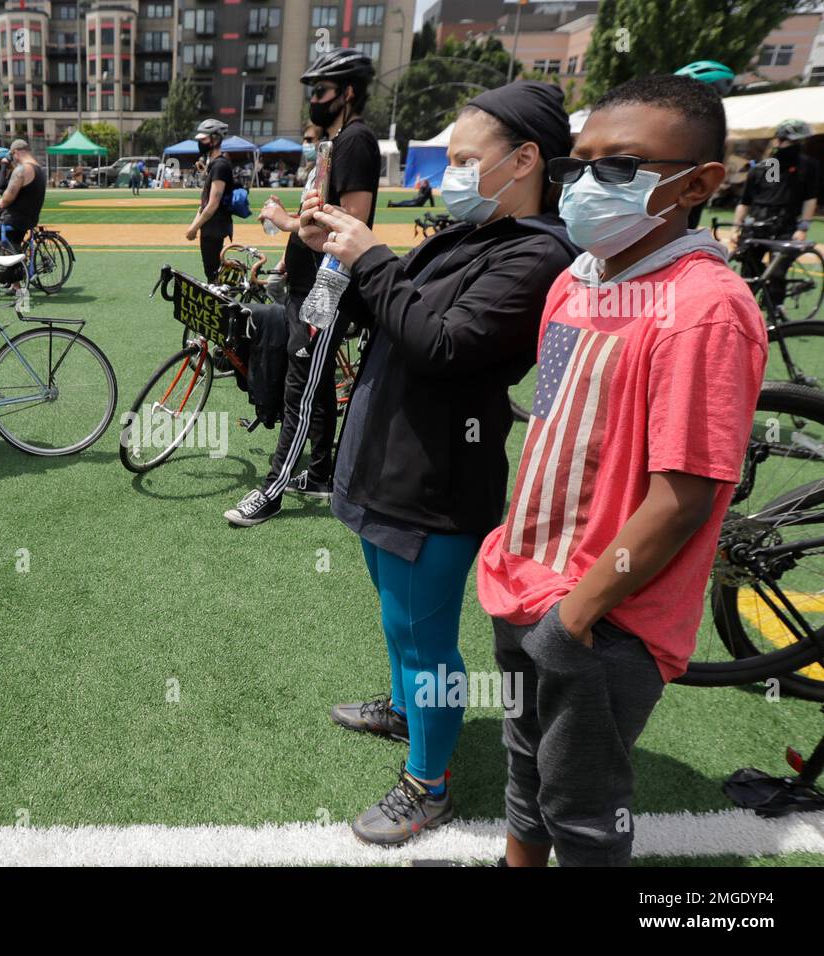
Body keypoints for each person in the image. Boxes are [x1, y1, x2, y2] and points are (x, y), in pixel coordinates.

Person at [476, 74, 766, 867]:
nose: (585, 187)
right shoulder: (577, 280)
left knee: (586, 814)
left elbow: (687, 495)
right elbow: (558, 416)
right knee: (526, 774)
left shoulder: (704, 306)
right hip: (526, 585)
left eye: (620, 168)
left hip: (604, 618)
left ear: (700, 183)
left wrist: (575, 619)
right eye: (578, 168)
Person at [301, 80, 578, 847]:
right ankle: (403, 709)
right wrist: (331, 252)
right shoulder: (469, 235)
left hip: (435, 484)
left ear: (524, 160)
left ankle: (430, 784)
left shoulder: (539, 251)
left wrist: (374, 257)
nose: (446, 173)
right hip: (385, 462)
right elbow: (388, 314)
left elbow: (445, 345)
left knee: (427, 642)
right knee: (399, 627)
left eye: (463, 157)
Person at [225, 50, 381, 526]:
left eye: (322, 91)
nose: (313, 100)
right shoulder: (338, 142)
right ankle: (317, 474)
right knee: (309, 385)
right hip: (308, 284)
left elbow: (349, 225)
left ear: (348, 92)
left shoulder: (356, 141)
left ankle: (273, 490)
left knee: (302, 390)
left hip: (326, 291)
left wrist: (287, 222)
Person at [732, 118, 820, 307]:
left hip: (786, 225)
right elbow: (745, 202)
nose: (795, 147)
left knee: (778, 271)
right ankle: (747, 308)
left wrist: (803, 226)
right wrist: (736, 226)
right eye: (791, 141)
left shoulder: (808, 166)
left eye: (798, 143)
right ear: (778, 141)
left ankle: (776, 311)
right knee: (749, 270)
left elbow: (810, 199)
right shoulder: (760, 168)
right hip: (756, 224)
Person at [185, 118, 235, 282]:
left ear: (215, 139)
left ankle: (222, 305)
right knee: (213, 271)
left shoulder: (220, 166)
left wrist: (194, 228)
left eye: (204, 139)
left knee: (214, 274)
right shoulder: (215, 165)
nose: (200, 142)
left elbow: (212, 204)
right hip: (212, 227)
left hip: (214, 227)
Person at [0, 139, 45, 291]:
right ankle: (16, 285)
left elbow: (7, 198)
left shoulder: (22, 170)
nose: (13, 158)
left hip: (14, 218)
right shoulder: (39, 168)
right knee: (14, 248)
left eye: (13, 155)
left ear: (17, 152)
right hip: (29, 217)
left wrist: (0, 203)